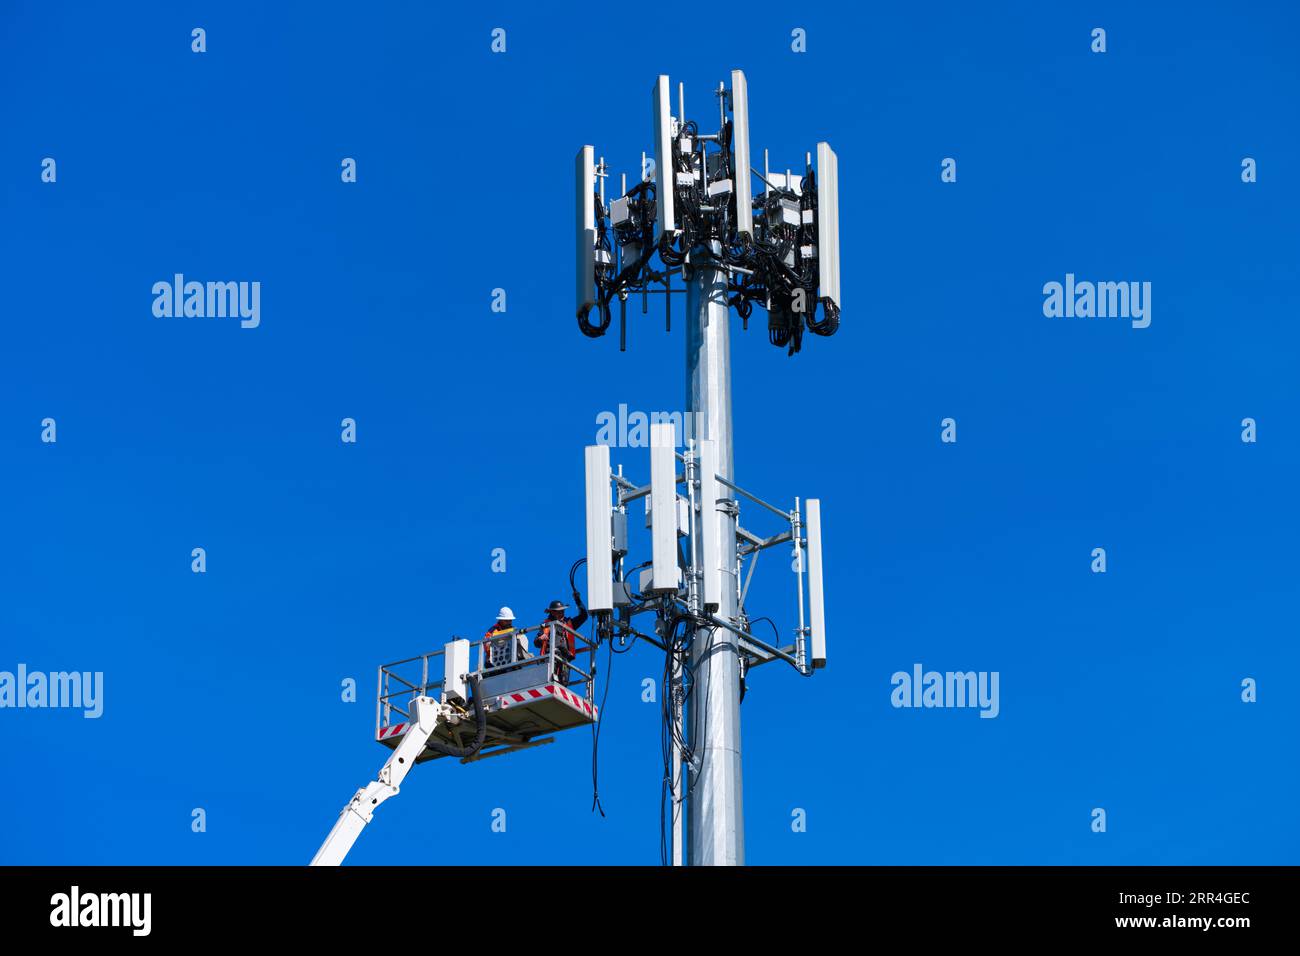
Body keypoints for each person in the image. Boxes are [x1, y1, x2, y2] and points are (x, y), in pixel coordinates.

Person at [535, 593, 588, 683]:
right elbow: (536, 642)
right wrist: (540, 639)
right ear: (552, 612)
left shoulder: (568, 623)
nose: (562, 613)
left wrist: (577, 600)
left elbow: (584, 616)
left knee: (563, 681)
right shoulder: (547, 625)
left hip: (565, 658)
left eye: (562, 611)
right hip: (551, 657)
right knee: (550, 680)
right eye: (559, 611)